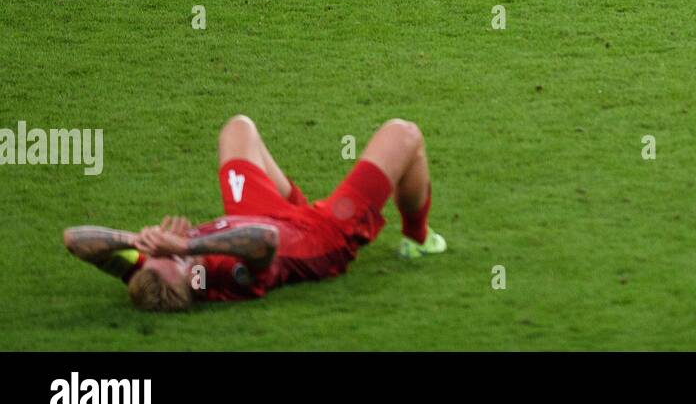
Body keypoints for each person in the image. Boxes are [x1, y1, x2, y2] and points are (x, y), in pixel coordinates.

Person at [63, 115, 445, 310]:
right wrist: (184, 245)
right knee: (404, 134)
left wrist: (137, 241)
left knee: (238, 129)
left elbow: (74, 240)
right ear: (193, 277)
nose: (163, 253)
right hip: (322, 234)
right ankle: (418, 238)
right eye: (174, 258)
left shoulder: (153, 271)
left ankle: (295, 202)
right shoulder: (231, 278)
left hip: (259, 214)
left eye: (155, 257)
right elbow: (267, 240)